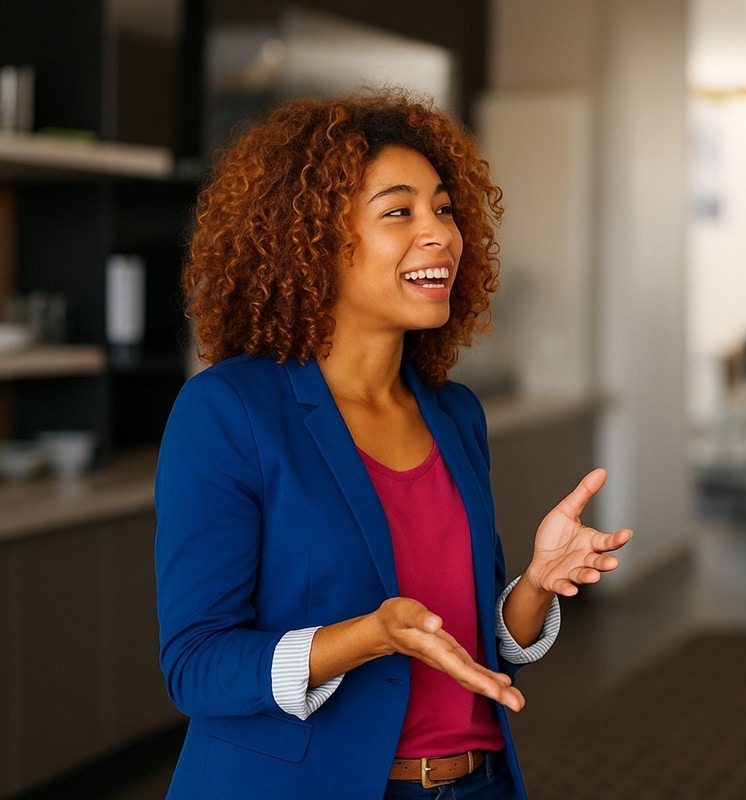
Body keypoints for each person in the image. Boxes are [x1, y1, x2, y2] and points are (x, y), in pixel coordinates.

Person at [154, 88, 633, 800]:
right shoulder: (229, 411)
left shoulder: (454, 414)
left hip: (477, 785)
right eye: (398, 211)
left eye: (443, 208)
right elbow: (197, 666)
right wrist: (370, 635)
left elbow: (468, 650)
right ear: (312, 238)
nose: (439, 233)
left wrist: (535, 586)